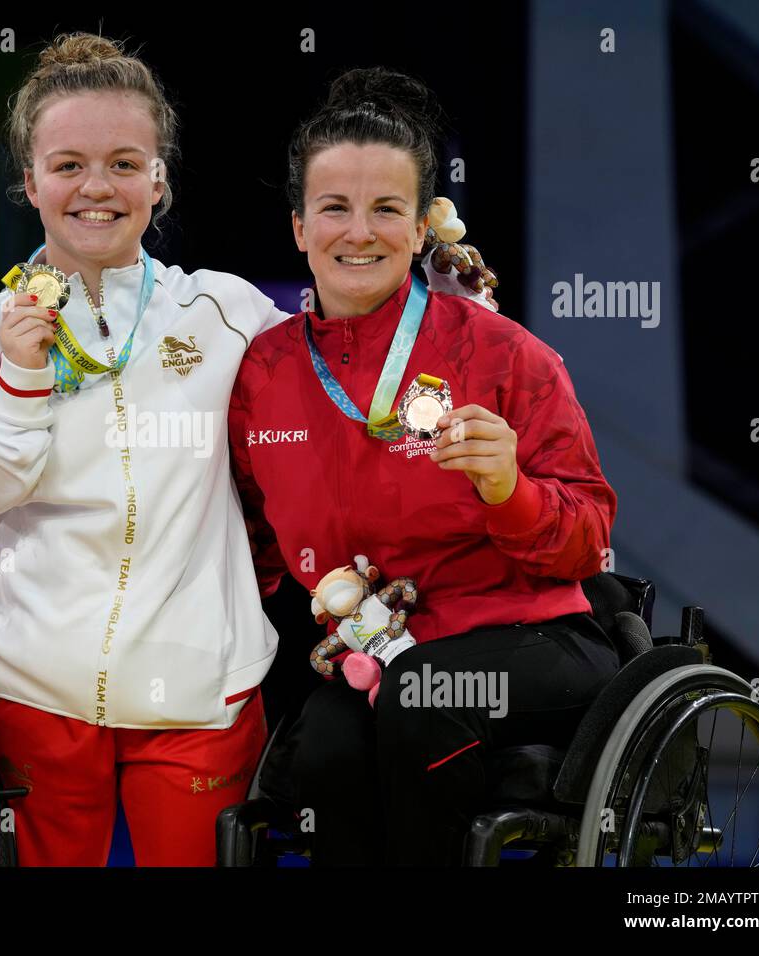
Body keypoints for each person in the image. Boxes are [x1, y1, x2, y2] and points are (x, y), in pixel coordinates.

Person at [228, 67, 621, 865]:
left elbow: (588, 540)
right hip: (379, 647)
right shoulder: (262, 375)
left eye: (386, 210)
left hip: (533, 639)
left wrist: (510, 491)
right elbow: (256, 548)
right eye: (334, 208)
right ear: (300, 226)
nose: (358, 232)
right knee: (326, 749)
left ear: (418, 230)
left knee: (420, 700)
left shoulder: (506, 356)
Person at [0, 33, 291, 866]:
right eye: (68, 165)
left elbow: (332, 395)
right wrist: (22, 378)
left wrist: (457, 314)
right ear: (29, 182)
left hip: (199, 693)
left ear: (158, 180)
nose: (97, 188)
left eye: (125, 163)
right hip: (35, 689)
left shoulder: (224, 312)